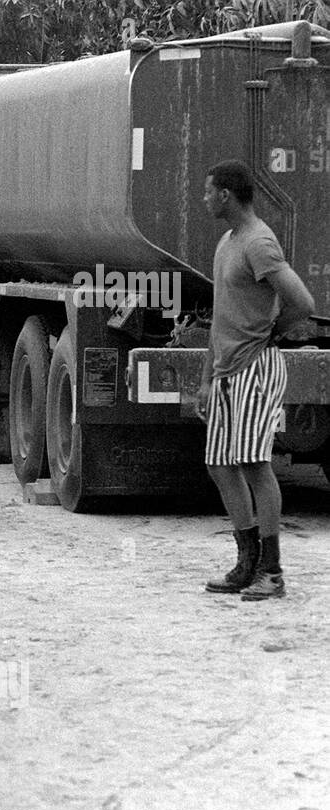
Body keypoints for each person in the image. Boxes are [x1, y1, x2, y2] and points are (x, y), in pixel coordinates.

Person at [197, 160, 315, 601]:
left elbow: (302, 301)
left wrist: (271, 333)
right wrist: (207, 378)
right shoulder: (227, 242)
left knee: (253, 465)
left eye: (209, 191)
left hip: (256, 369)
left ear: (225, 194)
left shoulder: (259, 243)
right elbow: (220, 318)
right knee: (219, 464)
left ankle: (272, 571)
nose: (205, 198)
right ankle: (246, 563)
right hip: (226, 372)